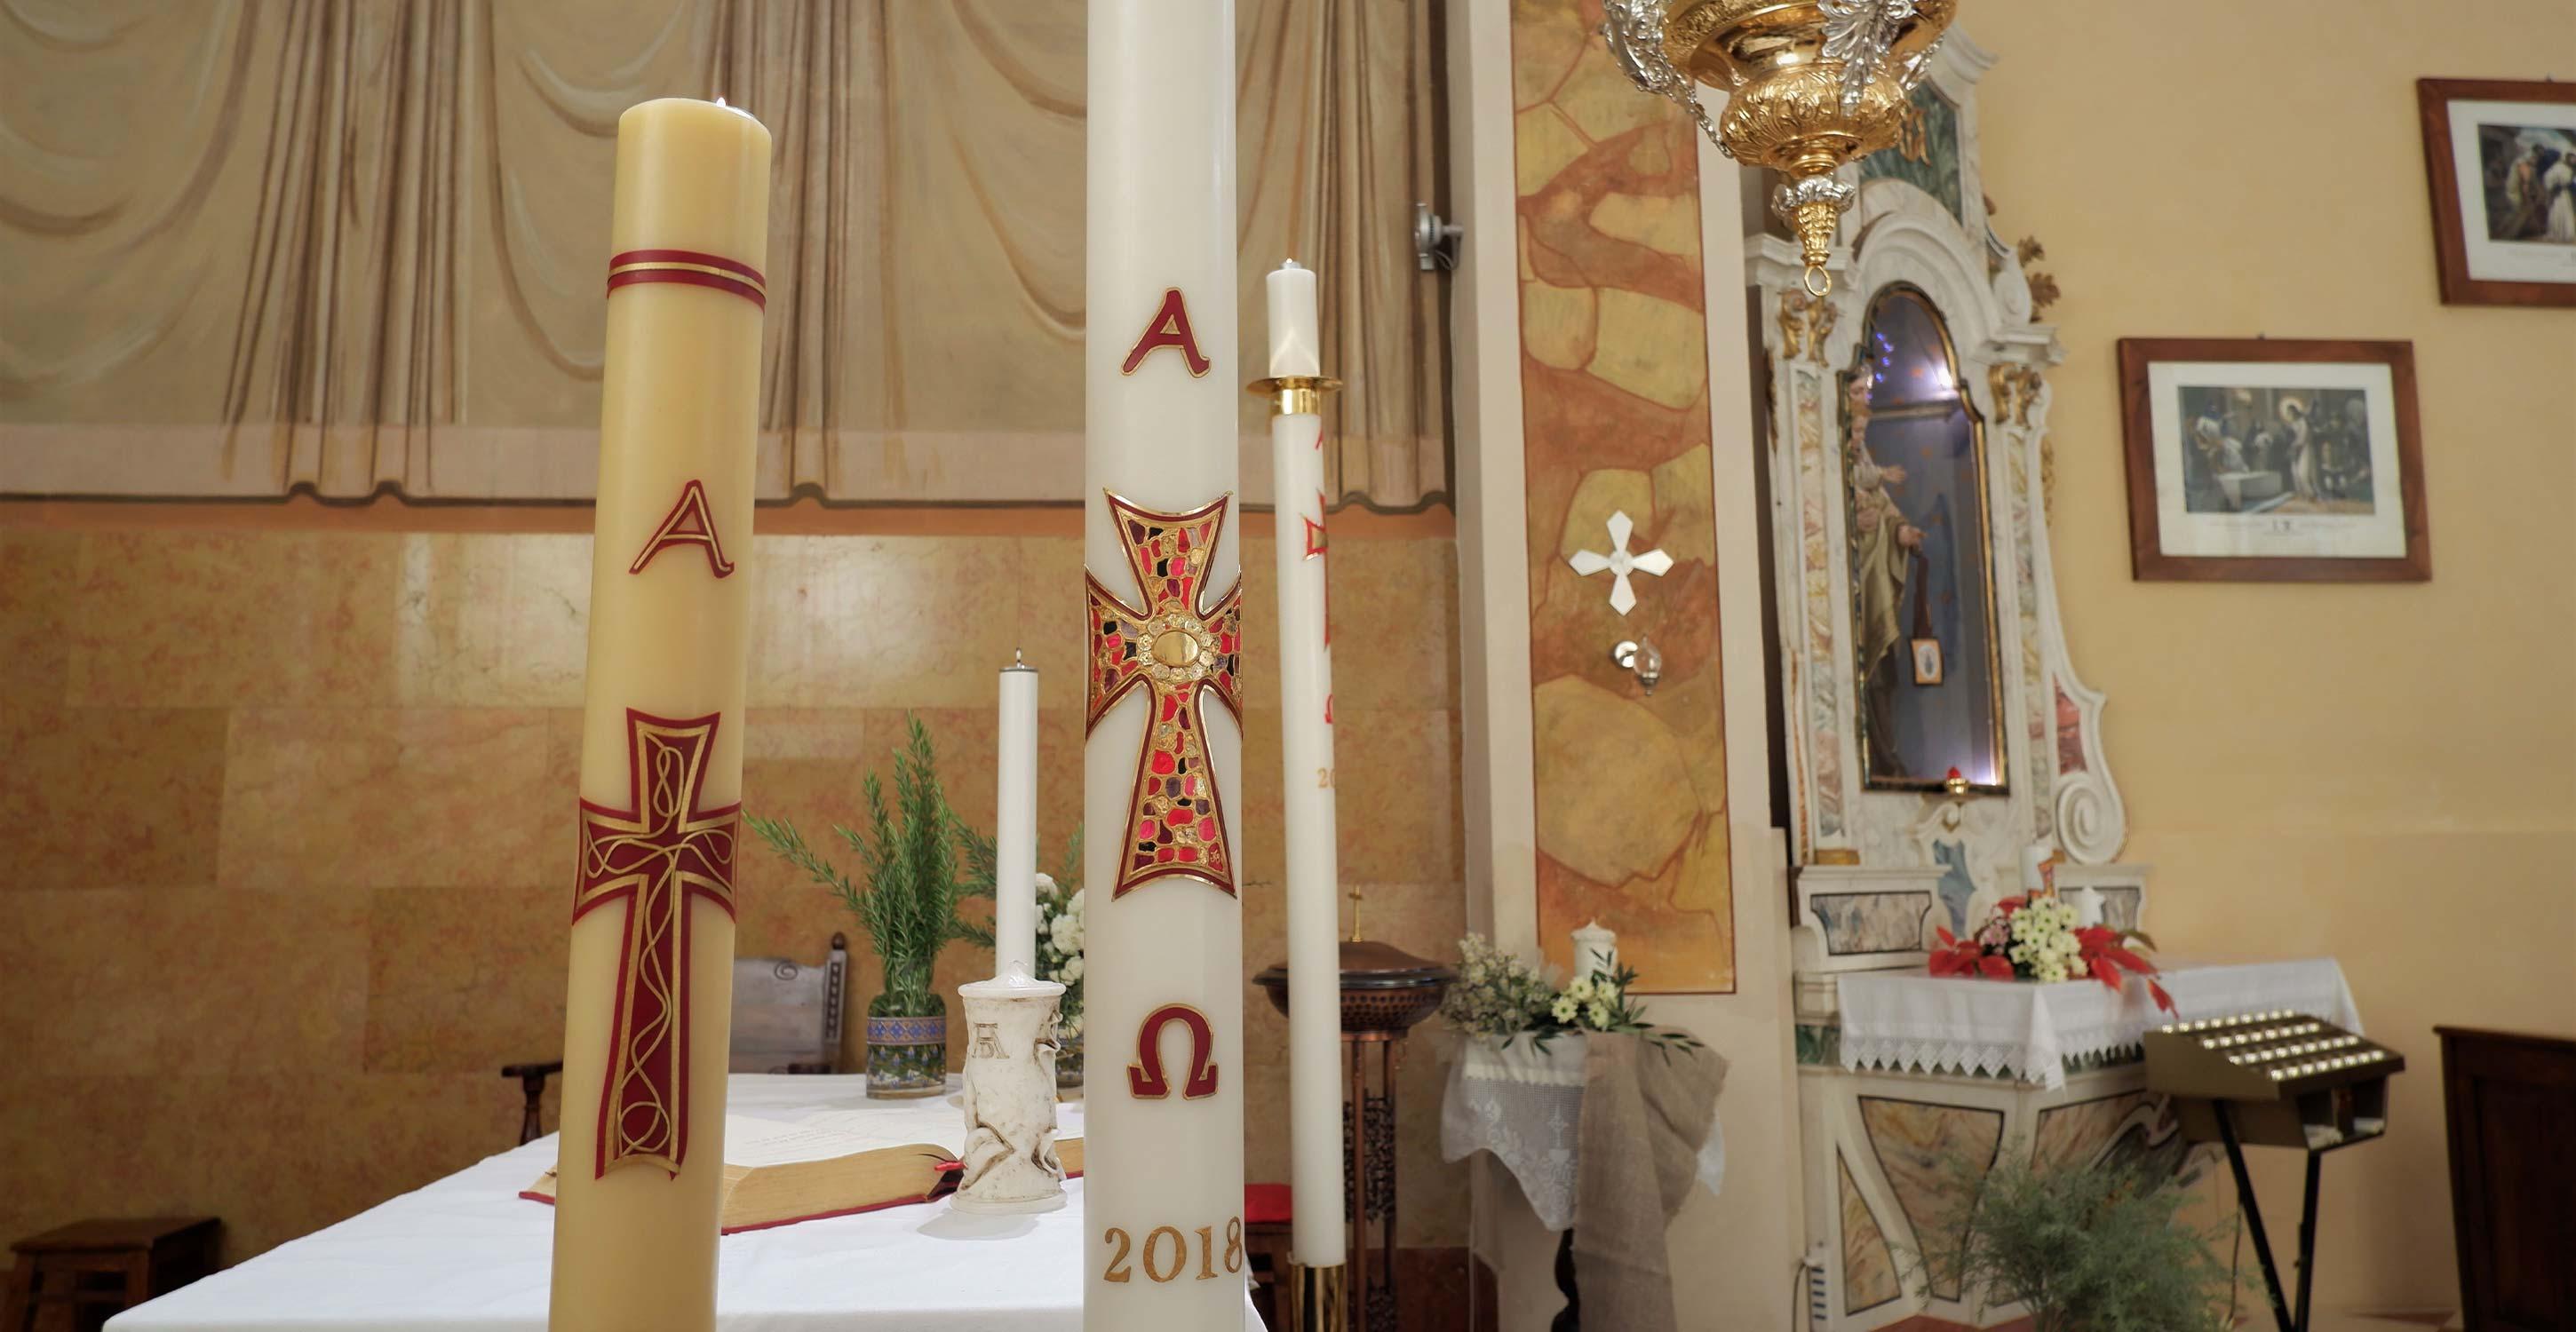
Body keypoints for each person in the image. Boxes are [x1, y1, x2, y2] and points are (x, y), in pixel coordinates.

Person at [2545, 147, 2576, 245]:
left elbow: (2570, 182)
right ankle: (2556, 234)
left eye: (2575, 158)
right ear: (2567, 157)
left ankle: (2566, 235)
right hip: (2558, 194)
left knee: (2567, 212)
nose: (2574, 160)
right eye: (2572, 158)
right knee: (2557, 211)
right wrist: (2554, 187)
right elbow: (2548, 177)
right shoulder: (2558, 167)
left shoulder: (2570, 169)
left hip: (2566, 194)